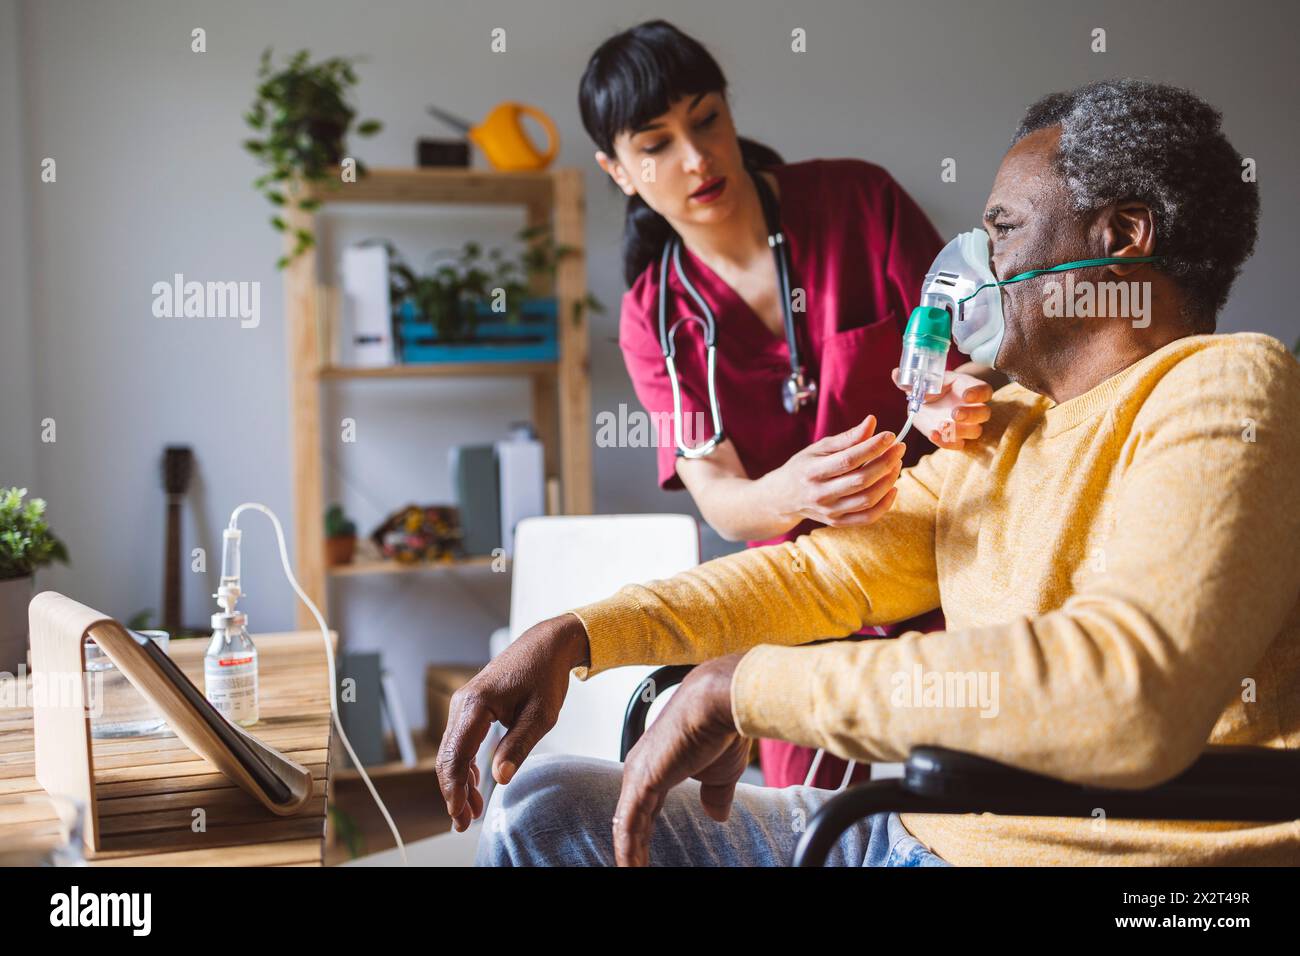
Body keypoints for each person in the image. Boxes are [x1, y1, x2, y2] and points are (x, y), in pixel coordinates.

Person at [441, 78, 1300, 867]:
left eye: (1002, 228)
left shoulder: (1224, 387)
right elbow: (817, 574)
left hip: (1089, 862)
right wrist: (580, 633)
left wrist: (746, 687)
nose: (976, 257)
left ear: (1118, 239)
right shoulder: (1001, 430)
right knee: (545, 813)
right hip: (913, 830)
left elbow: (1129, 694)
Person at [578, 19, 1003, 789]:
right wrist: (790, 493)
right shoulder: (654, 316)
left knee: (969, 793)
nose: (697, 158)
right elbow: (720, 499)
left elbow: (973, 362)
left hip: (946, 559)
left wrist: (957, 399)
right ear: (618, 170)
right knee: (805, 820)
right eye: (657, 144)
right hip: (799, 603)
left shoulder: (861, 201)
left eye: (706, 119)